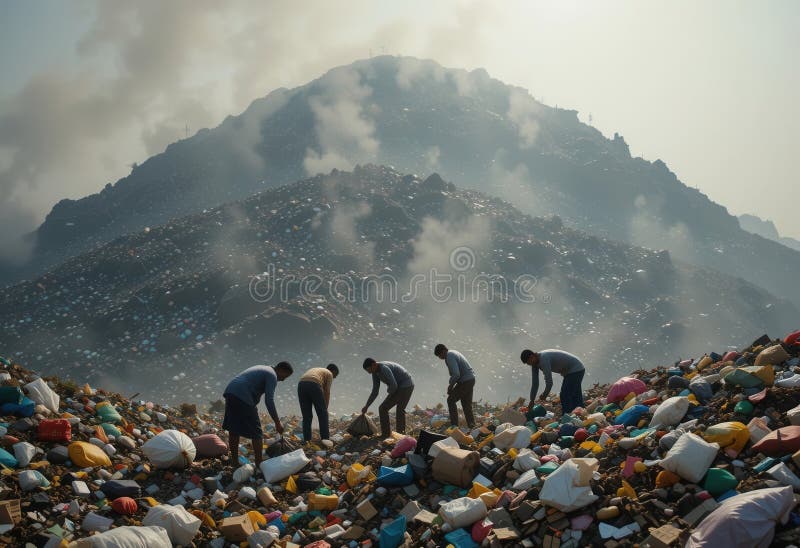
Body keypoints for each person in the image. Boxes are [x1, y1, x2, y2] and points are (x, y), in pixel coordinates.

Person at [223, 362, 293, 466]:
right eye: (285, 376)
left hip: (231, 392)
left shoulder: (263, 368)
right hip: (243, 395)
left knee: (234, 430)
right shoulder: (272, 375)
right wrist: (277, 422)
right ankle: (259, 464)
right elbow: (269, 400)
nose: (283, 380)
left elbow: (252, 387)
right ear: (281, 370)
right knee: (257, 434)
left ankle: (234, 461)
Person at [521, 349, 585, 415]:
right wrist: (532, 400)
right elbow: (535, 383)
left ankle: (567, 415)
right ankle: (581, 413)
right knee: (575, 395)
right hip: (573, 370)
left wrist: (545, 394)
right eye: (529, 364)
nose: (531, 365)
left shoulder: (543, 359)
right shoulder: (535, 363)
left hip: (576, 369)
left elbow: (549, 383)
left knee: (565, 395)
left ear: (532, 357)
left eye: (530, 362)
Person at [361, 358, 414, 438]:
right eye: (368, 371)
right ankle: (388, 434)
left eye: (369, 370)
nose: (369, 372)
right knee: (386, 408)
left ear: (374, 364)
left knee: (393, 409)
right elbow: (375, 391)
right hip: (399, 387)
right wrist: (367, 406)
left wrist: (389, 392)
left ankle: (399, 434)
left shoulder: (384, 369)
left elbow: (394, 385)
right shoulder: (374, 372)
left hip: (406, 385)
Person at [434, 343, 476, 428]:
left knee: (451, 400)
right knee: (466, 405)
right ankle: (472, 426)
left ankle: (454, 426)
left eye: (439, 355)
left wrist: (450, 386)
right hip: (470, 379)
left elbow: (456, 374)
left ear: (444, 351)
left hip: (465, 381)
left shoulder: (449, 356)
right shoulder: (453, 353)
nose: (440, 358)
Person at [297, 363, 339, 443]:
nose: (335, 377)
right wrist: (325, 408)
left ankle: (307, 440)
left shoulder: (318, 370)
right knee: (323, 414)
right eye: (335, 375)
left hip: (301, 385)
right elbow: (327, 392)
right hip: (314, 384)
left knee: (307, 416)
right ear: (333, 371)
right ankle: (325, 439)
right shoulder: (329, 373)